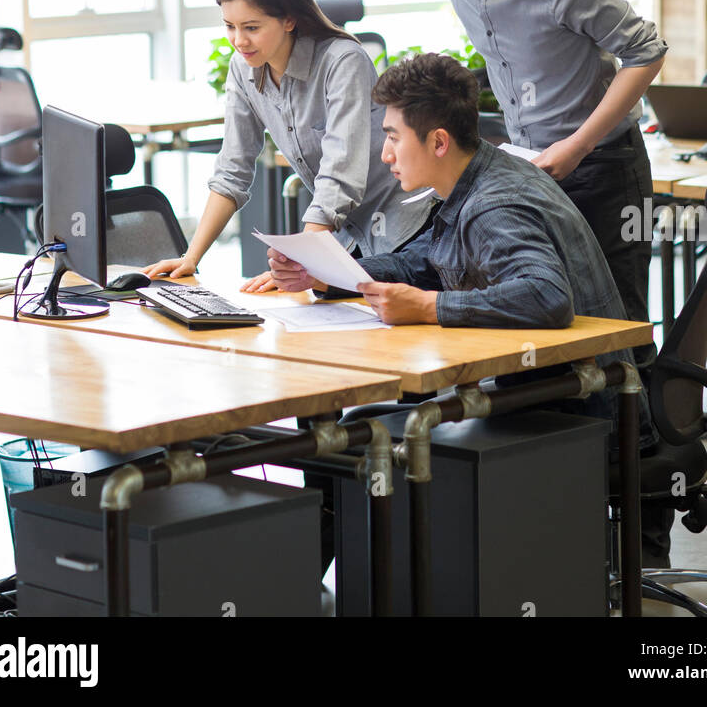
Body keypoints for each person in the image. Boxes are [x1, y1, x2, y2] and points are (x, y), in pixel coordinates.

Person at [266, 54, 655, 444]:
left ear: (438, 142)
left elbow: (547, 296)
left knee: (353, 436)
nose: (386, 155)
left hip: (584, 423)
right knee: (364, 423)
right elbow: (422, 261)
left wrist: (426, 307)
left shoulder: (494, 205)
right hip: (555, 401)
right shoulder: (480, 174)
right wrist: (328, 274)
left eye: (393, 137)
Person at [374, 0, 667, 357]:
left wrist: (576, 145)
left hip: (603, 165)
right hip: (528, 168)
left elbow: (647, 50)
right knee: (537, 320)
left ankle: (643, 437)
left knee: (616, 331)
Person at [145, 0, 434, 286]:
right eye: (230, 27)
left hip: (406, 232)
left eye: (251, 27)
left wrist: (300, 261)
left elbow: (338, 177)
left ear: (288, 20)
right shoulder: (244, 69)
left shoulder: (343, 62)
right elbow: (232, 170)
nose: (239, 41)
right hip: (343, 241)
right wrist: (190, 258)